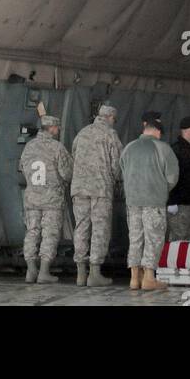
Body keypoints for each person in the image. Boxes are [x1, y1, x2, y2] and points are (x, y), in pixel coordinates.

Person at [120, 110, 179, 292]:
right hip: (154, 202)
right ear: (158, 132)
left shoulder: (128, 147)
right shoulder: (163, 148)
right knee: (153, 238)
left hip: (133, 201)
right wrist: (160, 189)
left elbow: (122, 171)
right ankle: (149, 278)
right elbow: (172, 177)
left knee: (135, 238)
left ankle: (134, 279)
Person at [70, 102, 123, 287]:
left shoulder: (82, 133)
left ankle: (80, 273)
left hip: (79, 188)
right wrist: (118, 181)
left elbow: (74, 156)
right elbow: (117, 165)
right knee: (100, 228)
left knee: (81, 227)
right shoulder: (110, 135)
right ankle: (94, 273)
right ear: (110, 117)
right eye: (114, 119)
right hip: (100, 189)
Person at [18, 114, 73, 283]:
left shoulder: (29, 147)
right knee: (49, 234)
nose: (58, 131)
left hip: (32, 198)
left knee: (32, 232)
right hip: (51, 200)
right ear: (51, 128)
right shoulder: (57, 148)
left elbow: (21, 168)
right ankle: (44, 272)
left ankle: (31, 271)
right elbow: (67, 173)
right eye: (56, 128)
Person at [168, 115, 190, 241]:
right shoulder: (176, 149)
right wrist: (172, 201)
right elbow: (170, 176)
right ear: (186, 130)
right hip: (180, 205)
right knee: (178, 240)